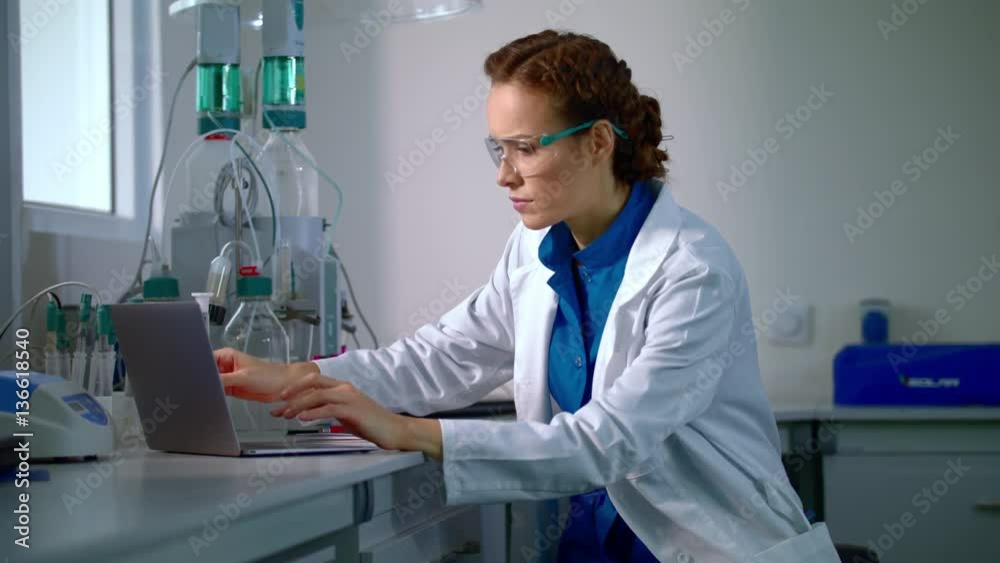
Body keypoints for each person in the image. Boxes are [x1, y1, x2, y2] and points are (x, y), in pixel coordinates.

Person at [215, 29, 840, 563]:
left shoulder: (693, 270)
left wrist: (410, 431)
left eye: (525, 148)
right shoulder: (536, 247)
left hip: (707, 547)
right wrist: (292, 378)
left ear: (598, 142)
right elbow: (446, 356)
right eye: (498, 148)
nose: (504, 174)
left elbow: (607, 441)